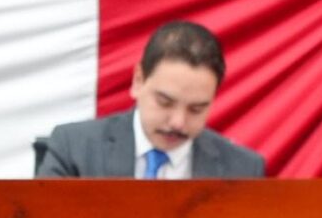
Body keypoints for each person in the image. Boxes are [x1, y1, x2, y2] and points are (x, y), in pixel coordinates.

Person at [38, 20, 264, 178]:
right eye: (165, 102)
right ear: (138, 80)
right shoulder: (74, 148)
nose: (178, 122)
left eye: (196, 109)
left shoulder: (243, 170)